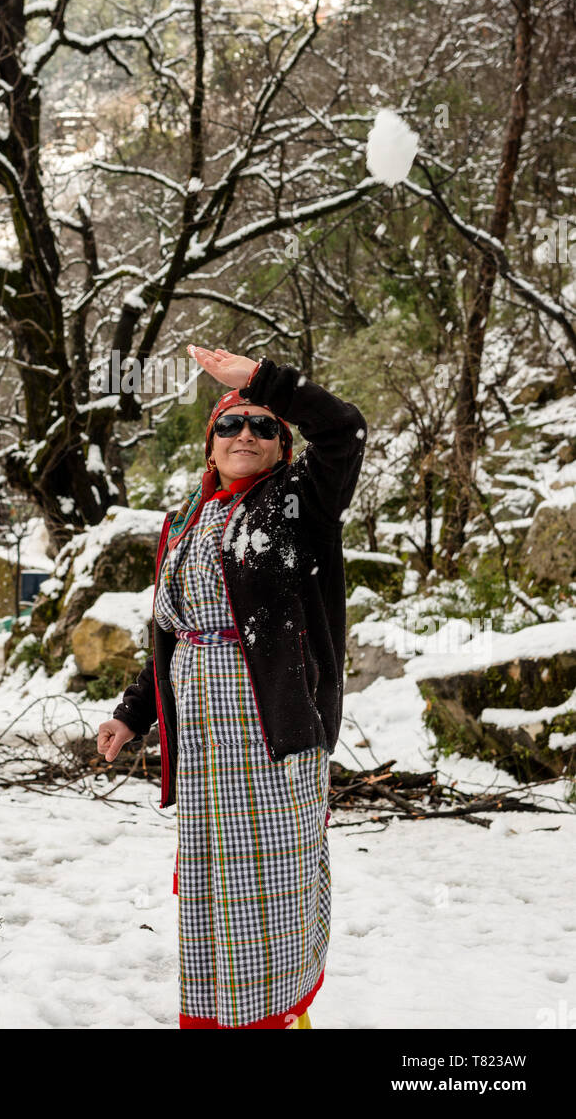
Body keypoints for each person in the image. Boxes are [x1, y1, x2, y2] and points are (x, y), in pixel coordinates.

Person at [98, 345, 368, 1029]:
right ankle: (218, 1018)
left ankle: (276, 1019)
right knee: (215, 887)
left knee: (273, 886)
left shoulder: (299, 505)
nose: (245, 434)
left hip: (271, 731)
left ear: (281, 447)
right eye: (230, 424)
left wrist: (258, 380)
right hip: (203, 737)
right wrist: (133, 714)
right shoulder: (182, 522)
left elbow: (342, 428)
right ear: (209, 446)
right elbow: (171, 631)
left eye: (263, 426)